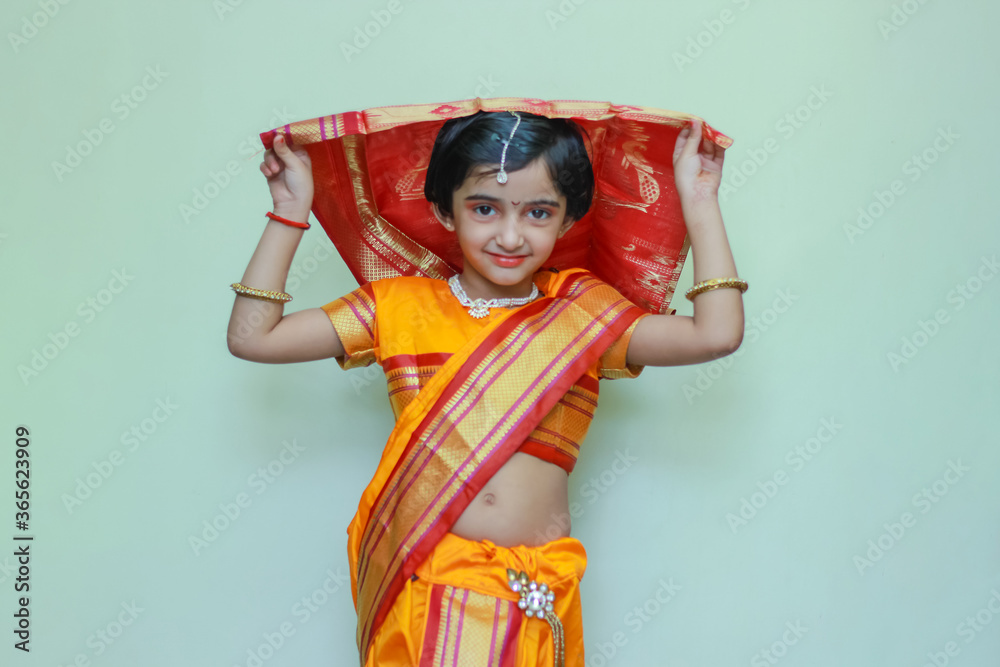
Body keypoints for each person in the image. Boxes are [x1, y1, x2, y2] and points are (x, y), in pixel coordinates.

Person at [227, 107, 745, 667]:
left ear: (569, 220)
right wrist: (288, 214)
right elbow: (254, 339)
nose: (509, 235)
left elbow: (715, 335)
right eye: (483, 208)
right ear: (443, 212)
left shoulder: (581, 311)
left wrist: (700, 202)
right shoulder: (397, 306)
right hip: (429, 584)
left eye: (538, 212)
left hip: (540, 587)